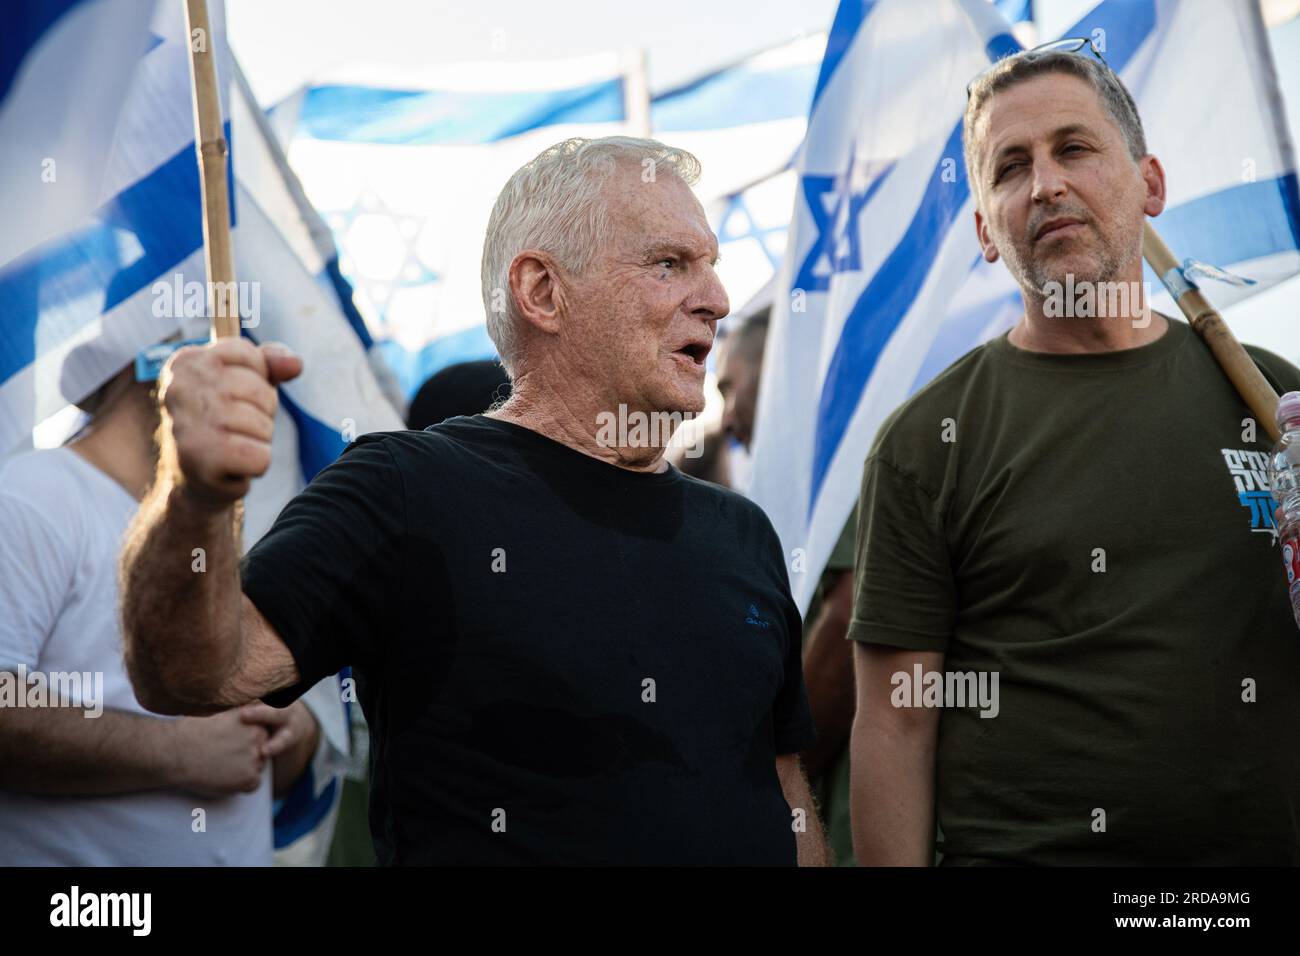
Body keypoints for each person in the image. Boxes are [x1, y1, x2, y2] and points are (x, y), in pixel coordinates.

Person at [119, 136, 827, 866]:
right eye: (669, 264)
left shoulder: (742, 531)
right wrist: (193, 494)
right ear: (543, 292)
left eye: (710, 266)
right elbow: (193, 674)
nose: (716, 300)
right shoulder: (404, 489)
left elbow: (783, 790)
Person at [848, 41, 1300, 865]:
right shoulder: (928, 442)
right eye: (1011, 167)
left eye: (1075, 148)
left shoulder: (1275, 406)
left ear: (1150, 184)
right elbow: (895, 719)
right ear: (986, 228)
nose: (1047, 184)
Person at [0, 357, 320, 865]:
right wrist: (172, 752)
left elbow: (255, 760)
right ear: (156, 355)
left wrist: (293, 733)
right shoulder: (32, 495)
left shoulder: (220, 524)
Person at [718, 306, 858, 865]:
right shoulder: (789, 487)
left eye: (730, 387)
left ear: (776, 369)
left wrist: (766, 778)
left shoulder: (846, 458)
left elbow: (850, 619)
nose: (725, 419)